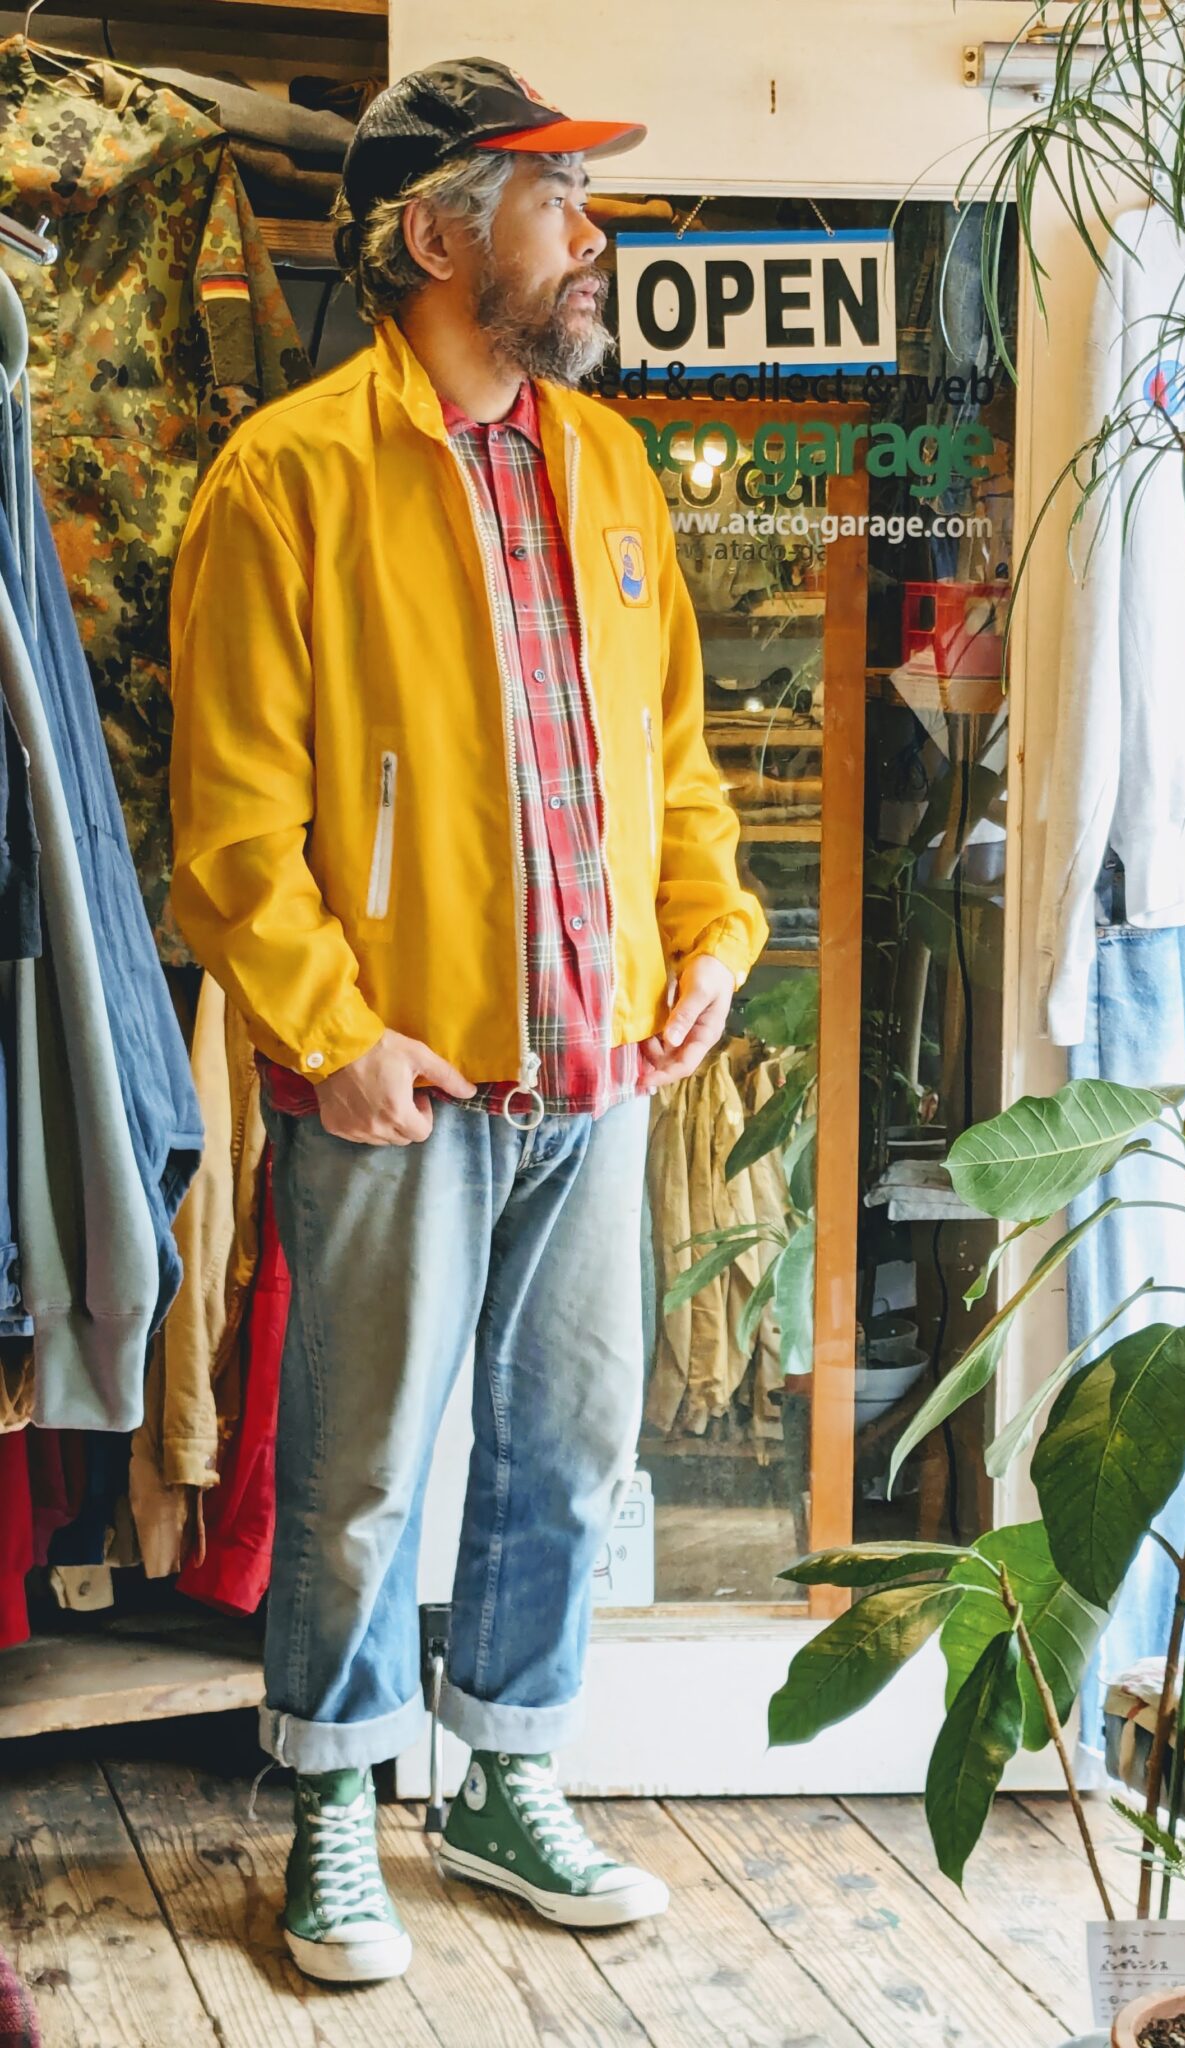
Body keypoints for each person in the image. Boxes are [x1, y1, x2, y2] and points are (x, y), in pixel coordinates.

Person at [168, 59, 768, 1984]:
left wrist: (710, 941)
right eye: (550, 200)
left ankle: (507, 1780)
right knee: (359, 1476)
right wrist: (332, 1032)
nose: (593, 237)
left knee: (566, 1454)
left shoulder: (612, 472)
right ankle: (337, 1804)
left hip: (599, 1068)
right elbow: (231, 828)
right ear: (435, 234)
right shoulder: (285, 479)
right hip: (400, 1090)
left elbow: (673, 762)